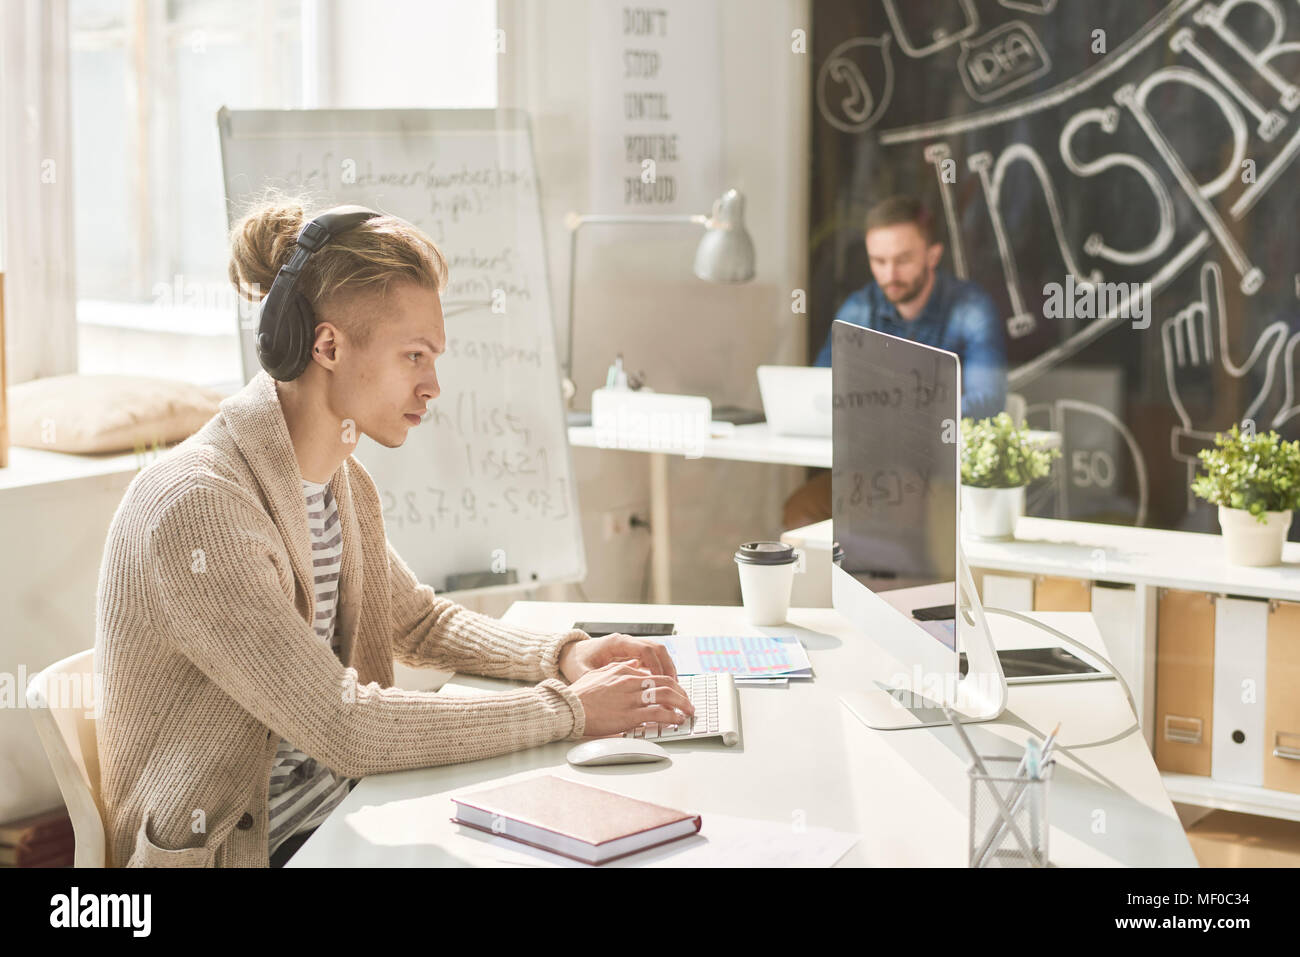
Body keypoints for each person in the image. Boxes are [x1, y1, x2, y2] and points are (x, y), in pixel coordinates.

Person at [95, 196, 694, 868]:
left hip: (340, 817)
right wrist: (570, 710)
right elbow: (343, 723)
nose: (433, 384)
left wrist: (563, 655)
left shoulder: (340, 481)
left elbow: (421, 622)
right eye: (414, 355)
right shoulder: (200, 507)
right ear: (328, 346)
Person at [783, 195, 1007, 529]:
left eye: (903, 259)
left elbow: (988, 402)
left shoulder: (971, 309)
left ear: (933, 255)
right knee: (800, 512)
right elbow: (821, 388)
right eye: (878, 261)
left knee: (905, 514)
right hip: (870, 468)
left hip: (943, 473)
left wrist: (895, 416)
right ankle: (833, 583)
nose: (889, 274)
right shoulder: (859, 308)